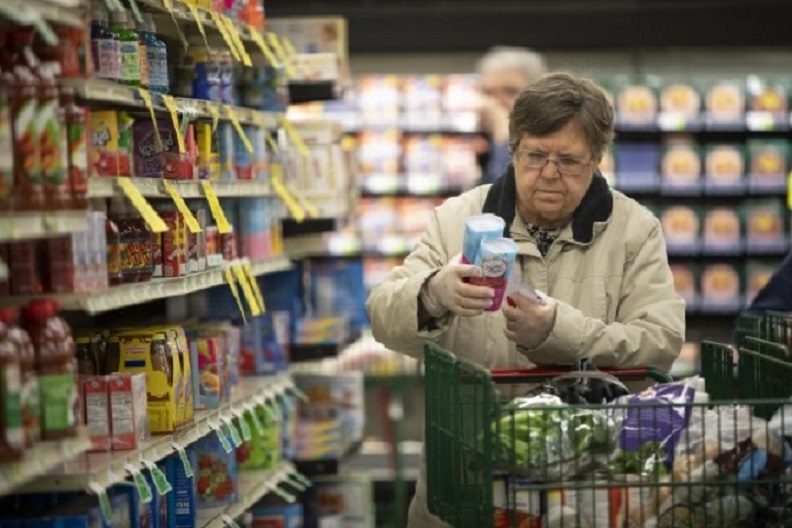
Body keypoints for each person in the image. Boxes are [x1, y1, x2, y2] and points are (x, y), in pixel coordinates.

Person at [366, 72, 685, 528]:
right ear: (512, 149)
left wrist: (558, 332)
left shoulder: (635, 231)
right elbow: (382, 314)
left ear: (597, 160)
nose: (550, 174)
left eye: (570, 161)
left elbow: (660, 341)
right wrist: (432, 293)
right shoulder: (458, 218)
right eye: (536, 156)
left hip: (582, 495)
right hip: (464, 488)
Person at [477, 46, 548, 184]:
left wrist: (504, 137)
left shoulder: (552, 145)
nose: (496, 103)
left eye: (510, 92)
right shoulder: (484, 144)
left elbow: (507, 198)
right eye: (488, 93)